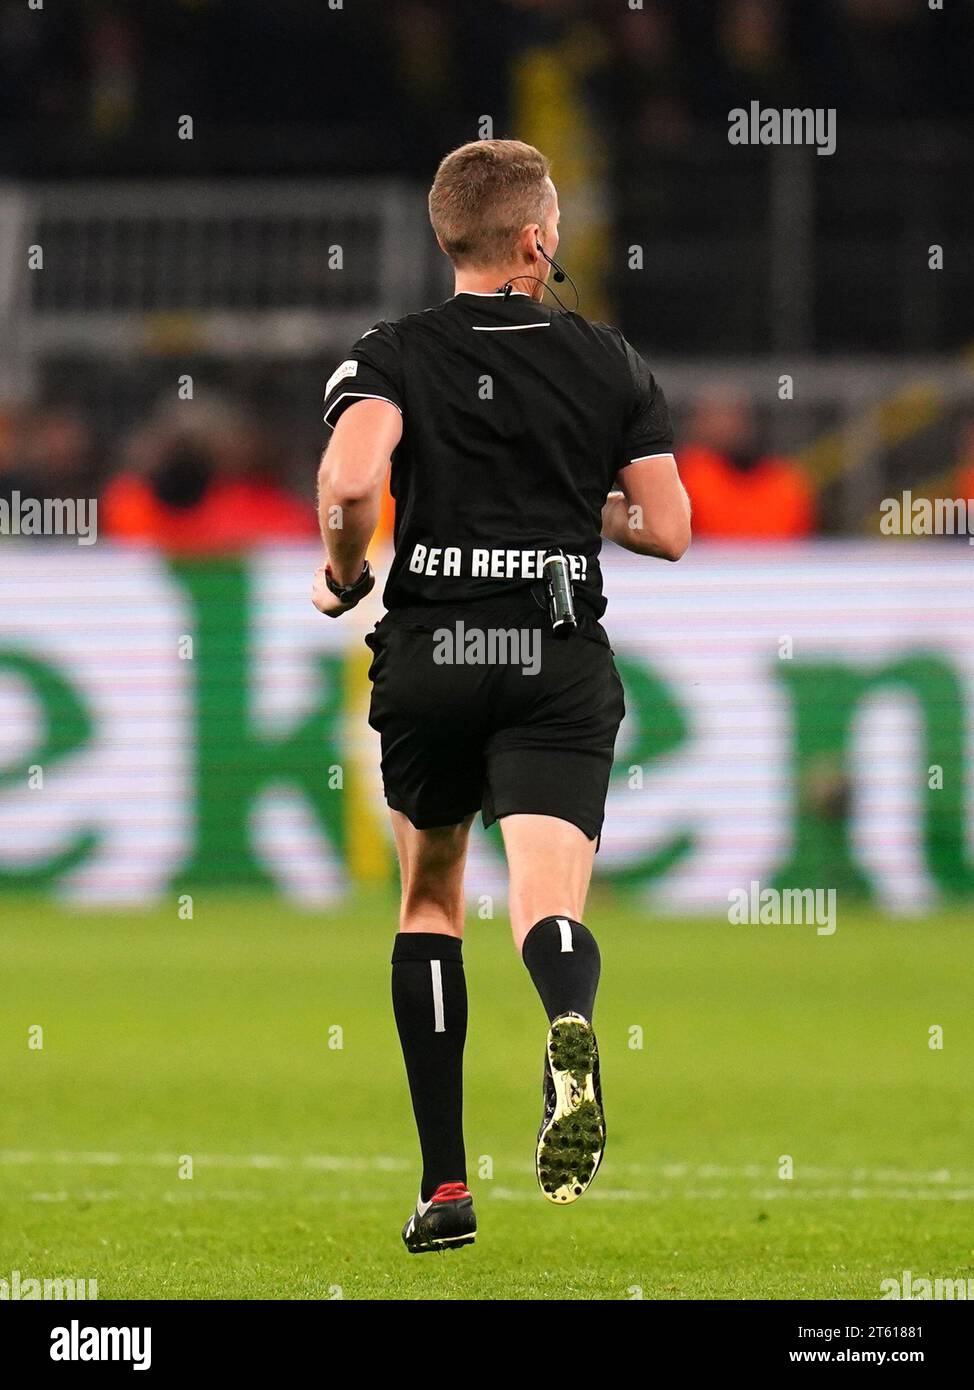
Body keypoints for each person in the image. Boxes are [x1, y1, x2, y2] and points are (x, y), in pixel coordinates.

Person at [313, 139, 690, 1253]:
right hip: (555, 653)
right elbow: (666, 529)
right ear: (534, 240)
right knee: (546, 902)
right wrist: (584, 514)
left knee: (430, 898)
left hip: (433, 650)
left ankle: (442, 1189)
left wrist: (344, 570)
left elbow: (346, 480)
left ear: (448, 240)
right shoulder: (609, 361)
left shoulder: (390, 353)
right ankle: (566, 1016)